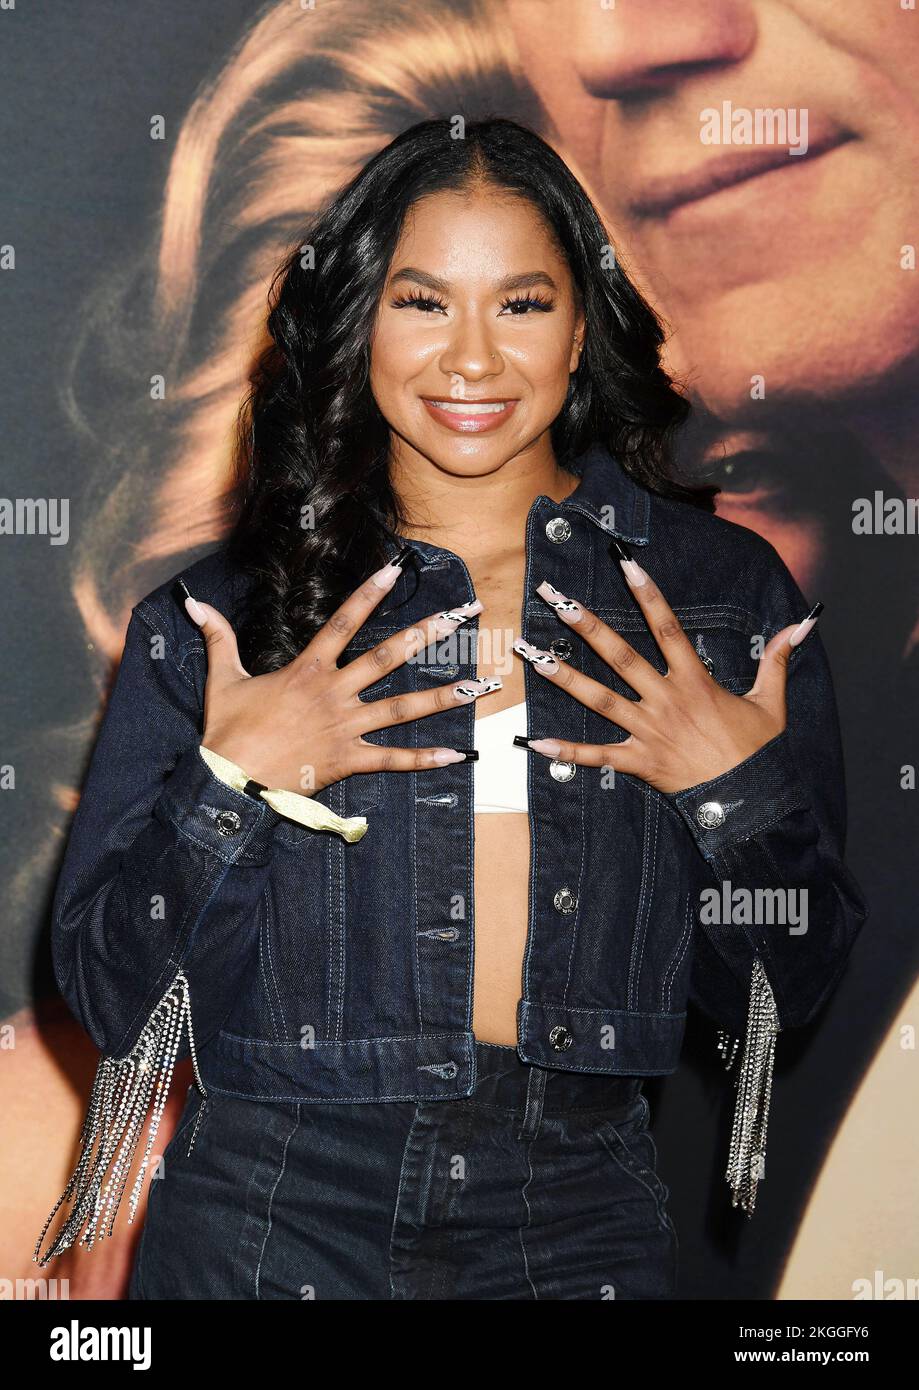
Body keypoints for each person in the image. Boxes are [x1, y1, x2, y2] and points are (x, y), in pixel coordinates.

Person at [33, 117, 866, 1300]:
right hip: (270, 1218)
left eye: (520, 305)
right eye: (422, 303)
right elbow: (114, 988)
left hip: (575, 1217)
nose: (469, 359)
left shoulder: (722, 604)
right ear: (361, 321)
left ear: (581, 329)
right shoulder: (227, 617)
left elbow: (785, 994)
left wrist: (731, 798)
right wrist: (227, 792)